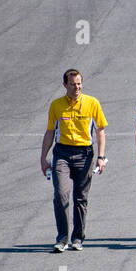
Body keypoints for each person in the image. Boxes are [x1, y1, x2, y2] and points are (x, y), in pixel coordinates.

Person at [40, 69, 108, 251]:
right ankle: (62, 238)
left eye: (79, 83)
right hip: (62, 153)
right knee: (61, 194)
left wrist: (101, 157)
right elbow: (50, 132)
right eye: (73, 84)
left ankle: (77, 238)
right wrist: (43, 158)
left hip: (85, 154)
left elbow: (100, 131)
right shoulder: (56, 105)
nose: (77, 87)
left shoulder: (92, 103)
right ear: (65, 85)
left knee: (81, 197)